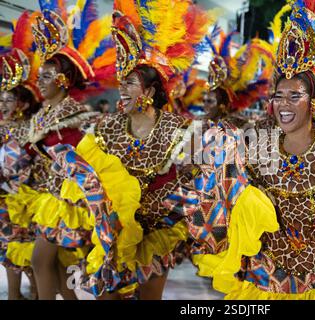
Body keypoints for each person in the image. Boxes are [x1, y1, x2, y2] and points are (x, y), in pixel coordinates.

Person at [163, 0, 315, 300]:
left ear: (313, 101)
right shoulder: (254, 141)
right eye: (279, 95)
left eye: (294, 95)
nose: (284, 104)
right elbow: (216, 192)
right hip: (267, 281)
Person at [46, 0, 214, 300]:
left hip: (154, 236)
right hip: (113, 235)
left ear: (149, 91)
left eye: (131, 83)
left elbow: (195, 186)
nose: (122, 89)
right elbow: (88, 172)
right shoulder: (107, 126)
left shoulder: (179, 130)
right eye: (121, 82)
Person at [0, 0, 116, 299]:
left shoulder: (74, 114)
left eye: (48, 75)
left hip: (69, 200)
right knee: (55, 267)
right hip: (46, 196)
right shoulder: (41, 115)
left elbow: (87, 159)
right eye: (41, 74)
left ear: (64, 80)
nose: (40, 78)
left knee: (43, 262)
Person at [0, 11, 42, 299]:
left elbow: (36, 163)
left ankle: (35, 293)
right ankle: (15, 295)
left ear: (23, 103)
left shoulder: (31, 129)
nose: (3, 105)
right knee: (7, 250)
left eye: (9, 100)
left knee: (28, 252)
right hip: (4, 199)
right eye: (0, 100)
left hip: (27, 198)